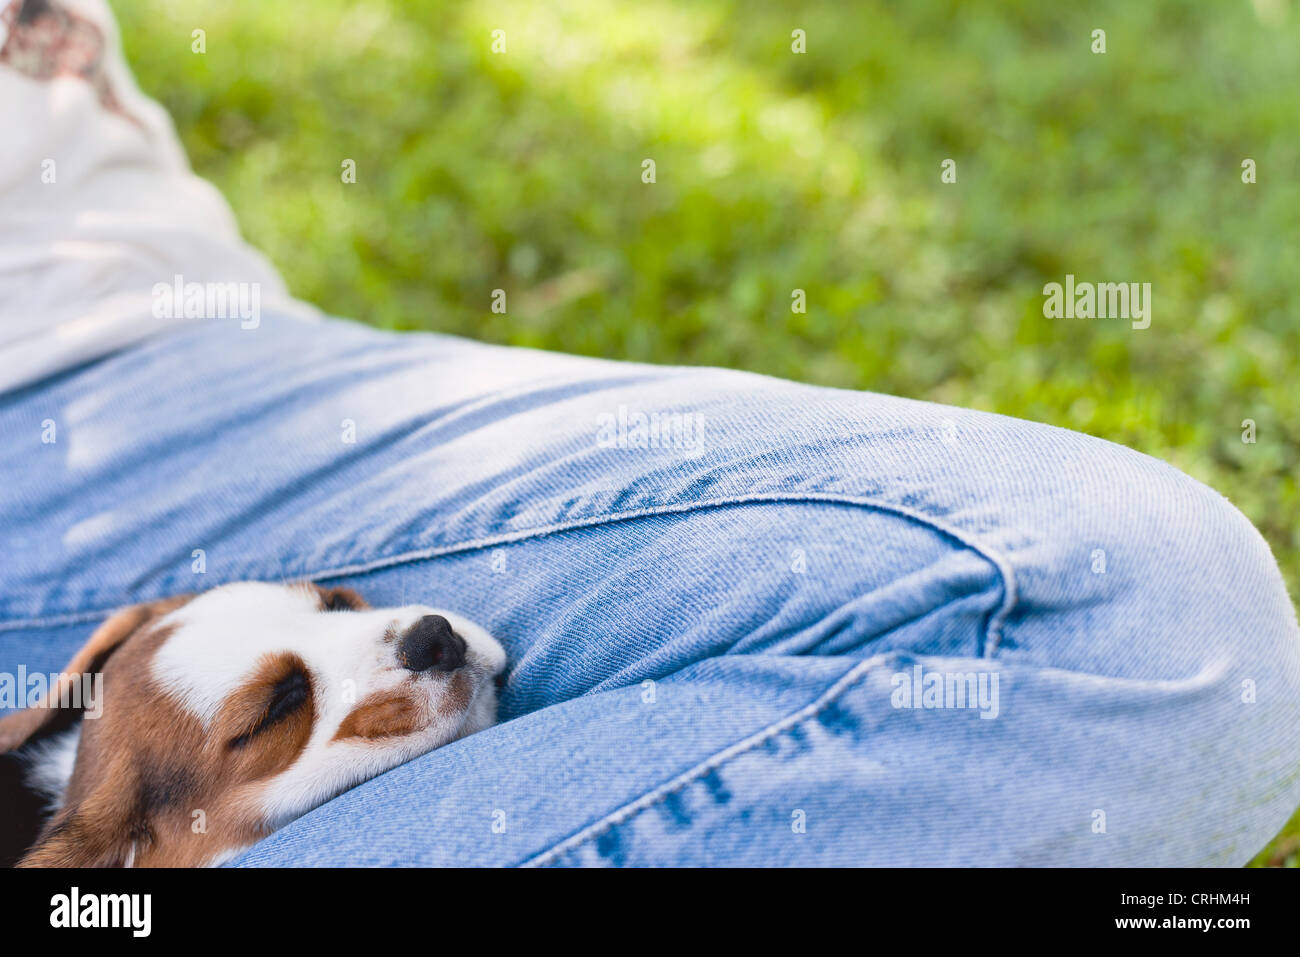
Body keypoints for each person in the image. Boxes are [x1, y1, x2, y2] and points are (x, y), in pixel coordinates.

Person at [2, 0, 1297, 867]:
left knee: (1128, 603)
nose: (397, 631)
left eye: (336, 609)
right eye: (282, 700)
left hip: (159, 326)